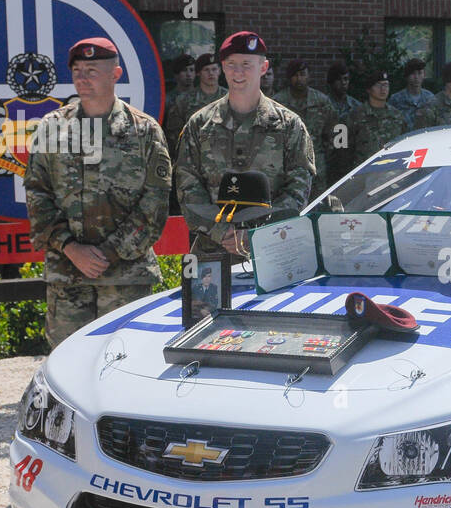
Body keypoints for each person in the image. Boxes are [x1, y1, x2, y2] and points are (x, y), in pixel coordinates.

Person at [23, 37, 171, 347]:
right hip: (67, 275)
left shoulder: (143, 130)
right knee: (67, 363)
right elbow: (37, 193)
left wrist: (109, 252)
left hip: (125, 275)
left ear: (115, 74)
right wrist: (70, 248)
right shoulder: (51, 127)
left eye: (92, 69)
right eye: (77, 70)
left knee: (125, 360)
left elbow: (155, 201)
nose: (82, 78)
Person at [176, 31, 315, 256]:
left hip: (273, 249)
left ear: (263, 67)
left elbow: (298, 189)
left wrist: (257, 234)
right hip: (213, 251)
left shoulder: (289, 125)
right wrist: (221, 231)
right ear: (222, 67)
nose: (238, 72)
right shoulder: (200, 124)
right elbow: (187, 186)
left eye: (246, 64)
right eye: (231, 64)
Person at [274, 59, 338, 194]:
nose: (299, 79)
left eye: (303, 74)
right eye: (295, 75)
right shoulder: (278, 103)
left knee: (317, 205)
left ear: (309, 76)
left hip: (316, 166)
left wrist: (328, 156)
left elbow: (336, 132)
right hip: (286, 166)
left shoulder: (321, 101)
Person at [339, 69, 407, 184]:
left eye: (386, 85)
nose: (383, 89)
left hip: (392, 176)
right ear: (369, 89)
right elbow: (342, 151)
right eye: (379, 85)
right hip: (362, 177)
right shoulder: (354, 116)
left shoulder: (397, 116)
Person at [163, 52, 224, 159]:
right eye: (206, 70)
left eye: (214, 69)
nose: (211, 73)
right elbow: (173, 136)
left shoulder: (230, 98)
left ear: (219, 71)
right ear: (199, 73)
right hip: (192, 159)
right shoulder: (183, 101)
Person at [389, 58, 435, 129]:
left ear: (424, 75)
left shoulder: (430, 98)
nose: (416, 77)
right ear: (407, 76)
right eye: (413, 74)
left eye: (420, 73)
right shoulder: (396, 100)